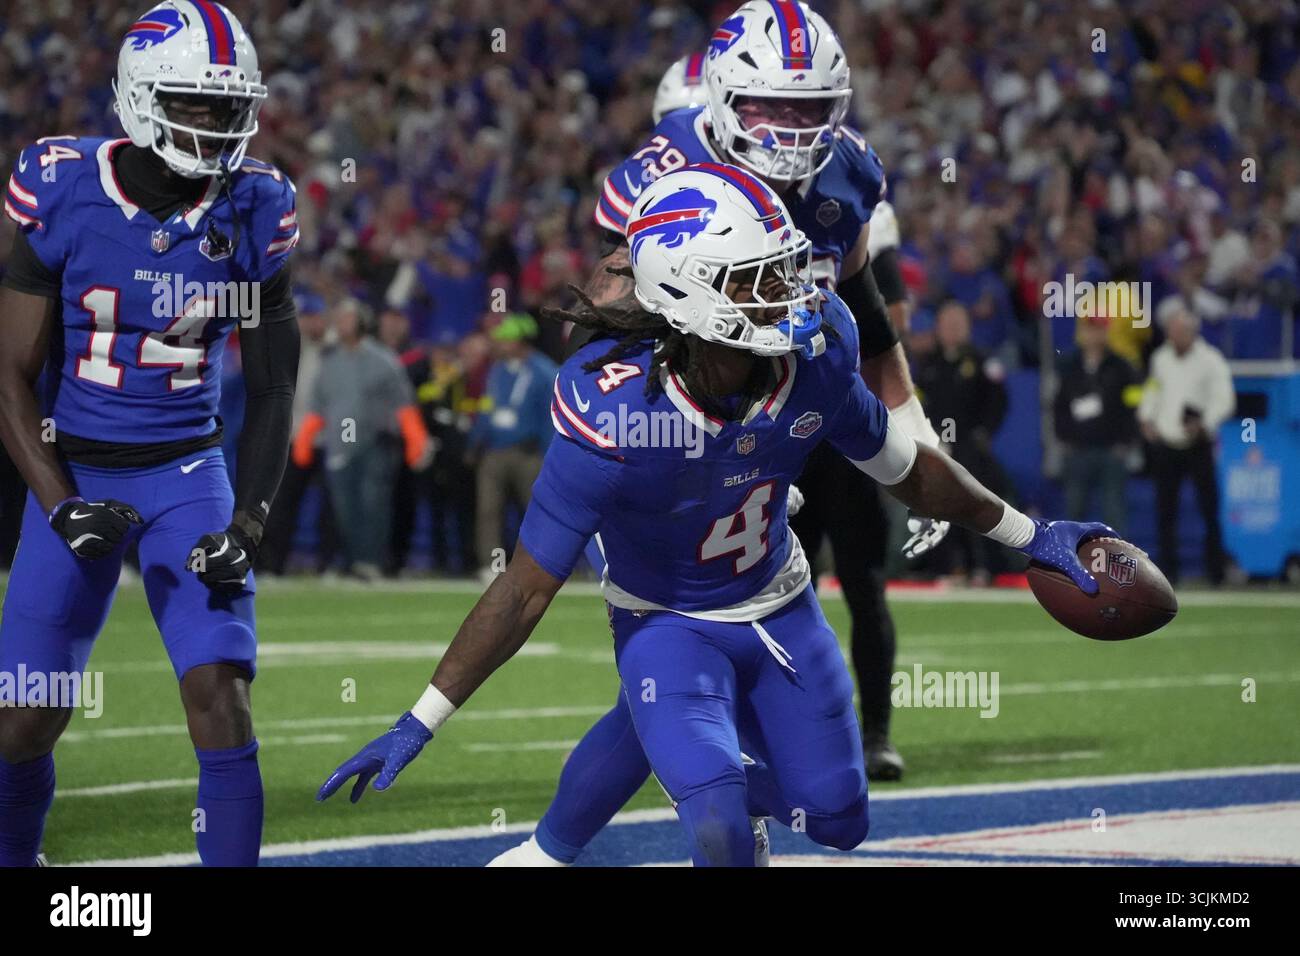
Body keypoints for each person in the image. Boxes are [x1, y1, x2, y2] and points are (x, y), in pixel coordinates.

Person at [316, 166, 1112, 867]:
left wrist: (1028, 532)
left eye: (781, 270)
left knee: (839, 821)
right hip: (664, 617)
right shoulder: (612, 409)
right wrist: (421, 720)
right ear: (685, 296)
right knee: (721, 831)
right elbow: (525, 589)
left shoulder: (819, 354)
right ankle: (673, 756)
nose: (786, 294)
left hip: (777, 601)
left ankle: (662, 740)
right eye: (752, 280)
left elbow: (908, 471)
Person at [553, 2, 945, 856]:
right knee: (683, 612)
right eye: (774, 107)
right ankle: (698, 771)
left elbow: (871, 322)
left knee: (857, 573)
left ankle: (835, 741)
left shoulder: (846, 179)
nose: (794, 130)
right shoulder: (663, 170)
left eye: (812, 109)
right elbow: (597, 326)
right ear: (721, 100)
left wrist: (917, 433)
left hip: (811, 392)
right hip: (698, 416)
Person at [0, 1, 297, 867]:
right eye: (196, 103)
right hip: (78, 468)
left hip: (187, 472)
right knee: (25, 715)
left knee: (220, 694)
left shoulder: (256, 202)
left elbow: (274, 377)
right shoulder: (61, 185)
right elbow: (9, 375)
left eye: (228, 104)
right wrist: (59, 506)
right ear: (139, 95)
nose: (217, 123)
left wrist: (249, 523)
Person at [292, 298, 431, 581]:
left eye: (348, 318)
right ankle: (353, 560)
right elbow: (318, 406)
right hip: (339, 445)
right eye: (339, 318)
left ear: (362, 322)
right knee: (344, 508)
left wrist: (416, 440)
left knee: (374, 505)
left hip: (376, 442)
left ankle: (371, 561)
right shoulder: (329, 362)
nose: (342, 324)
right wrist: (304, 439)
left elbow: (403, 404)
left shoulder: (383, 359)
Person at [1137, 298, 1236, 585]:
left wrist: (1204, 423)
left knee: (1209, 509)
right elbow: (1153, 389)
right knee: (1165, 511)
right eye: (1171, 331)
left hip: (1198, 443)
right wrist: (1147, 416)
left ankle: (1215, 573)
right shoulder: (1161, 358)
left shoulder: (1211, 360)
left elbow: (1225, 399)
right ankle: (1169, 573)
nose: (1174, 337)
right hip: (1167, 443)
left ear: (1192, 332)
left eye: (1179, 332)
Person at [913, 302, 1011, 584]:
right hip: (938, 448)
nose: (953, 330)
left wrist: (983, 433)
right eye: (947, 324)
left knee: (976, 506)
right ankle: (943, 566)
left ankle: (983, 566)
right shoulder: (929, 365)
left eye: (958, 324)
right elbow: (918, 402)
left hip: (970, 449)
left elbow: (998, 401)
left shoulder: (981, 362)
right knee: (938, 508)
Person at [466, 313, 557, 579]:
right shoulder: (497, 370)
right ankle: (491, 565)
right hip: (495, 451)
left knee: (535, 512)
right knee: (488, 510)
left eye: (507, 340)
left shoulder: (544, 371)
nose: (501, 344)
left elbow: (549, 417)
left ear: (521, 341)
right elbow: (487, 409)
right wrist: (475, 443)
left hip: (529, 453)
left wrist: (548, 454)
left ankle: (544, 566)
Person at [257, 289, 337, 575]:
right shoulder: (284, 346)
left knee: (332, 508)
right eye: (304, 317)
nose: (308, 323)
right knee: (280, 506)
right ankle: (272, 565)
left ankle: (328, 566)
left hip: (330, 439)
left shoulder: (336, 348)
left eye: (313, 317)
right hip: (292, 438)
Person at [1053, 311, 1140, 532]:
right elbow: (1059, 404)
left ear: (1107, 331)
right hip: (1078, 449)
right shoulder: (1069, 365)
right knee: (1074, 512)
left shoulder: (1121, 367)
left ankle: (1118, 563)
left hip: (1111, 449)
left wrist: (1126, 441)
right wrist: (1063, 437)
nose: (1095, 334)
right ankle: (1070, 564)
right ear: (1083, 331)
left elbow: (1133, 405)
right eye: (1091, 328)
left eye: (1100, 328)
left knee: (1114, 512)